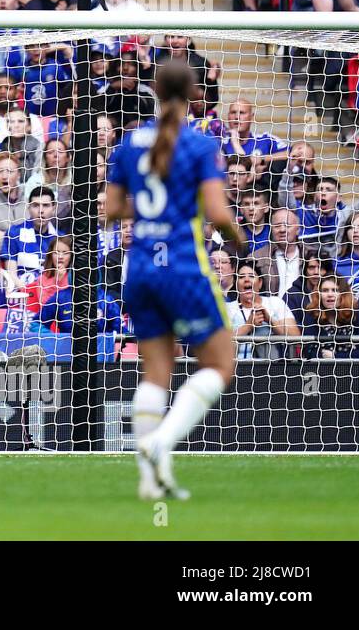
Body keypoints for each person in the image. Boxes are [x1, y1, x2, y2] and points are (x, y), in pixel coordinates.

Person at [105, 62, 246, 502]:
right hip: (185, 269)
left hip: (142, 268)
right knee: (221, 364)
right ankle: (162, 441)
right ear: (194, 94)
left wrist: (151, 216)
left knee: (155, 373)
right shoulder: (200, 145)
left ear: (153, 91)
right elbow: (219, 214)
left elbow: (110, 210)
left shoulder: (129, 144)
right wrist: (239, 241)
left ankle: (149, 483)